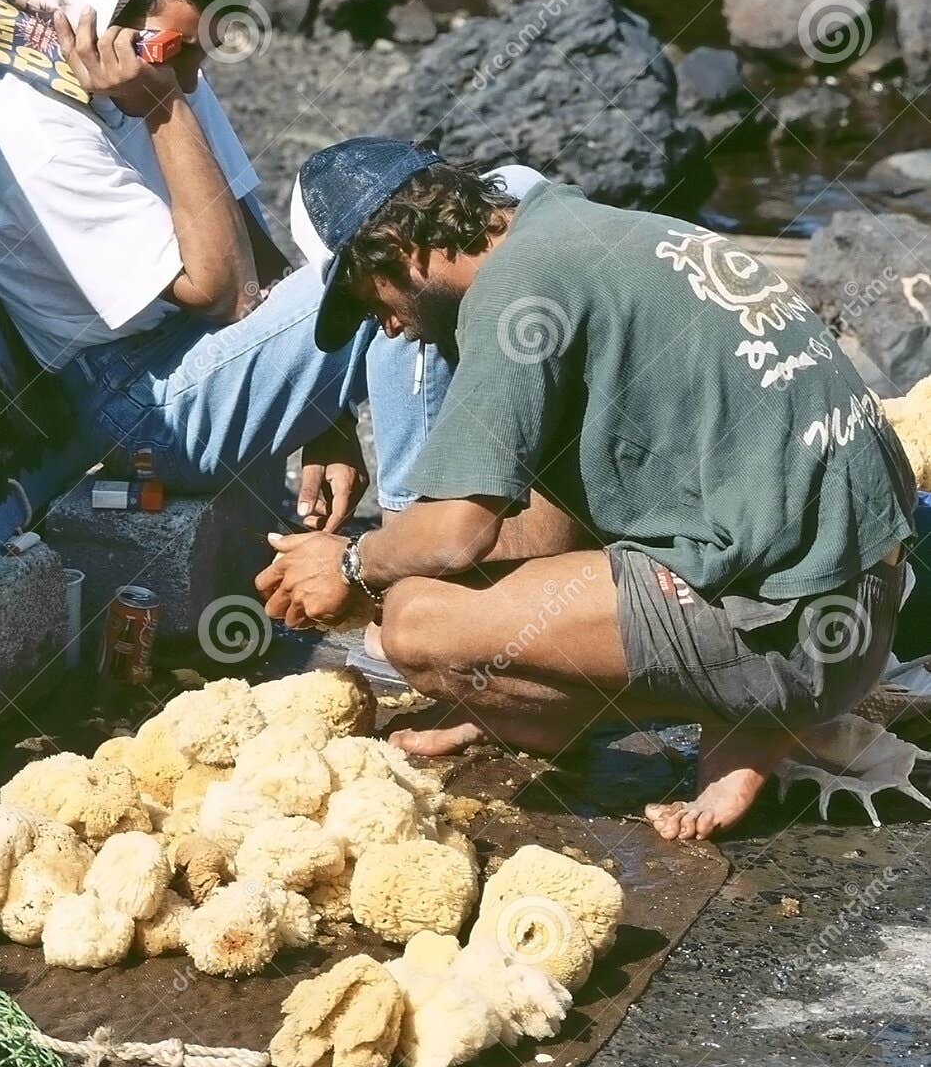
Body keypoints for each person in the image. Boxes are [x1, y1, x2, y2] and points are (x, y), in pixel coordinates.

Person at [257, 137, 916, 841]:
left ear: (395, 247)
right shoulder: (571, 227)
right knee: (477, 555)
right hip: (860, 599)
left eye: (372, 303)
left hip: (798, 632)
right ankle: (558, 713)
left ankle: (750, 716)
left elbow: (453, 534)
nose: (390, 327)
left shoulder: (517, 288)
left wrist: (351, 563)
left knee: (414, 622)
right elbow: (526, 519)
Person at [0, 0, 452, 534]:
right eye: (177, 51)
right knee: (403, 268)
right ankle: (419, 546)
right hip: (143, 405)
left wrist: (325, 416)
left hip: (206, 353)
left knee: (429, 243)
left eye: (203, 52)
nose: (190, 76)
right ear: (103, 15)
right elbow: (224, 293)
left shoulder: (165, 70)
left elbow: (259, 261)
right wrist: (163, 109)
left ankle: (430, 527)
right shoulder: (34, 133)